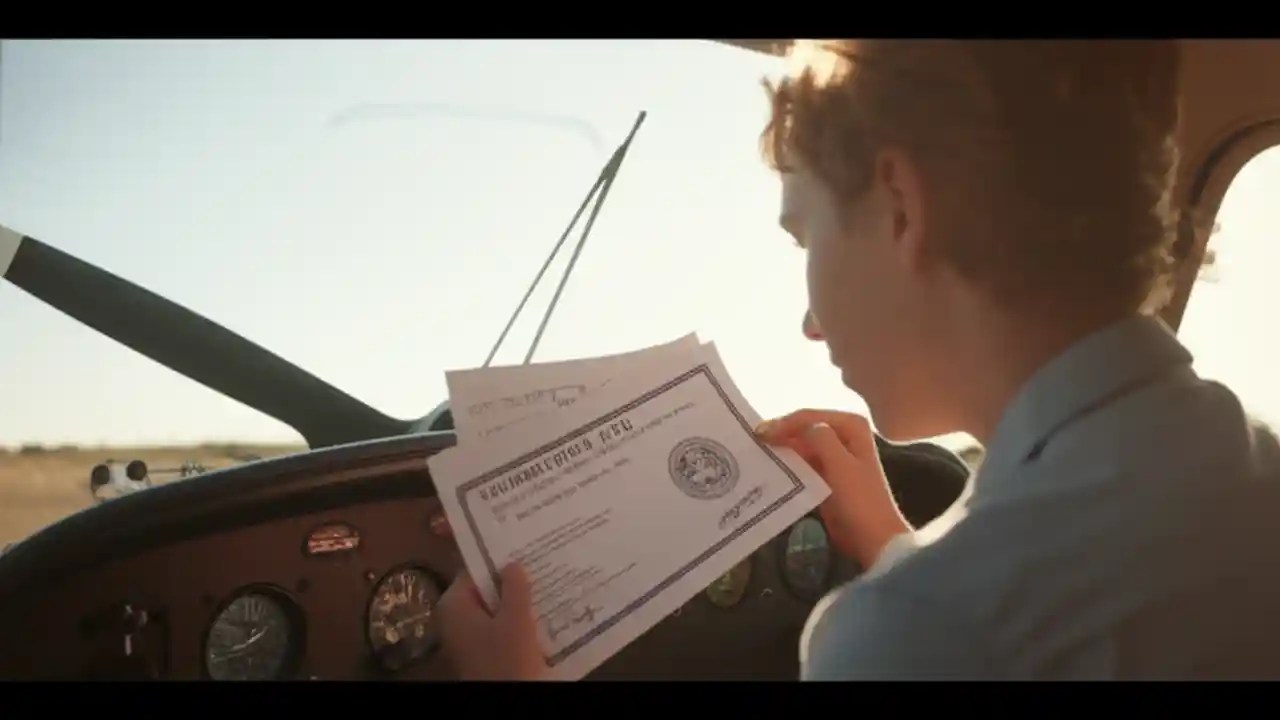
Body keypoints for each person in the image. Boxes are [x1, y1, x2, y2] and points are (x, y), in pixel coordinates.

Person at [437, 39, 1280, 680]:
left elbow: (969, 625)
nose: (809, 321)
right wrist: (894, 546)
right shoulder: (1248, 469)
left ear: (899, 208)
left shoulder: (913, 631)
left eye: (805, 235)